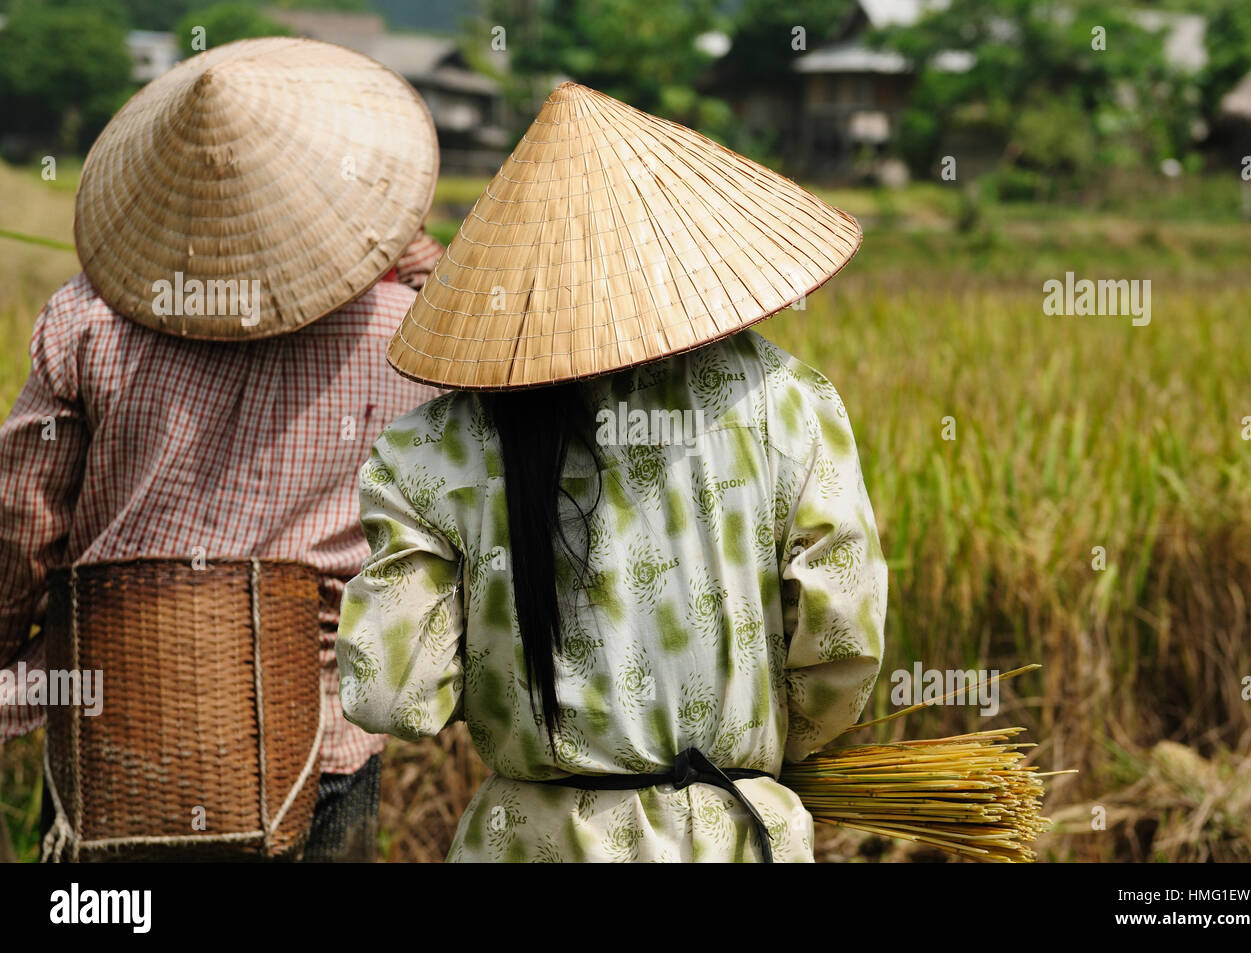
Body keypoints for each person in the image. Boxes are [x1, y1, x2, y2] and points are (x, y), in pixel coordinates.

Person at [338, 82, 887, 862]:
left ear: (521, 283)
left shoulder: (435, 445)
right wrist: (760, 753)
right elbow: (841, 633)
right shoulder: (787, 403)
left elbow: (390, 693)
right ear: (690, 252)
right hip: (728, 836)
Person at [0, 37, 444, 861]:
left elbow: (22, 524)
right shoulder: (414, 337)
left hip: (120, 719)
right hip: (315, 738)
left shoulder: (85, 320)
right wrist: (412, 256)